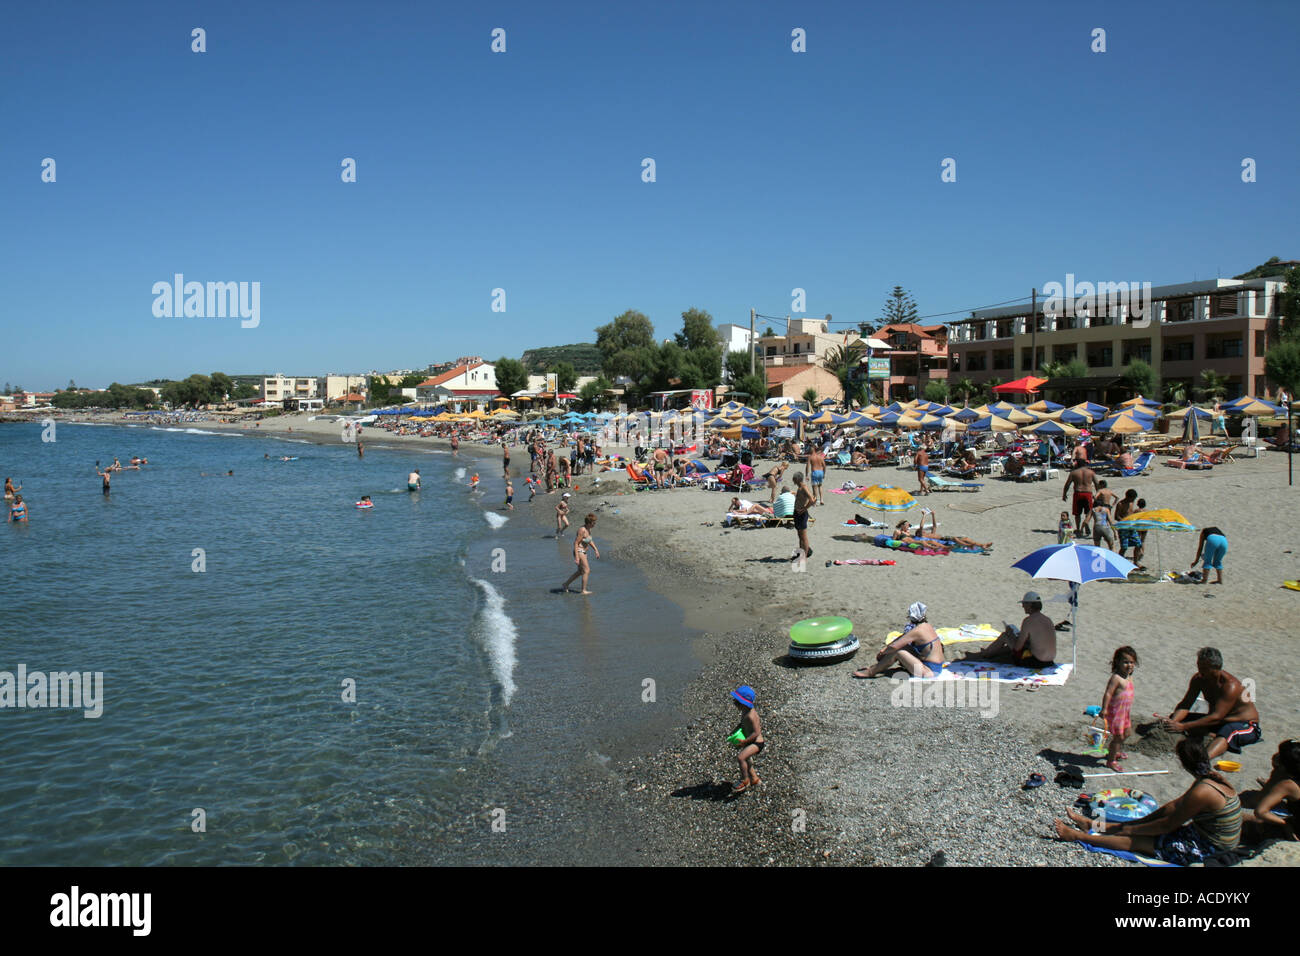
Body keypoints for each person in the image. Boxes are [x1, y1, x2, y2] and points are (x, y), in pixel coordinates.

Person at [1052, 738, 1241, 865]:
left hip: (1210, 850)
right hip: (1206, 837)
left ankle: (1078, 836)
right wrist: (1140, 822)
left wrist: (1132, 829)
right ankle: (1092, 825)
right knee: (1136, 826)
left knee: (1135, 840)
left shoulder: (1203, 790)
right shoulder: (1209, 779)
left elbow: (1168, 825)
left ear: (1183, 763)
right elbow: (1174, 806)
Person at [1162, 647, 1261, 759]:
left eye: (1204, 668)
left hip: (1245, 724)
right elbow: (1186, 704)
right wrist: (1173, 721)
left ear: (1215, 668)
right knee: (1179, 718)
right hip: (1218, 722)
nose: (1200, 671)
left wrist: (1183, 727)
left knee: (1228, 731)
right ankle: (1211, 735)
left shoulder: (1230, 686)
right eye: (1199, 666)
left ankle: (1204, 759)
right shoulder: (1199, 679)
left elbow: (1217, 716)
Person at [962, 591, 1056, 668]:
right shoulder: (1048, 620)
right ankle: (987, 653)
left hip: (1035, 662)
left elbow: (1017, 648)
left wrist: (1011, 635)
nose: (1022, 606)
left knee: (1005, 636)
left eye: (1024, 604)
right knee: (1011, 641)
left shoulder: (1028, 621)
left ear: (1030, 605)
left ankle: (985, 654)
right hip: (1049, 661)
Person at [853, 602, 944, 679]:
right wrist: (884, 649)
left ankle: (872, 671)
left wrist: (883, 653)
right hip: (933, 667)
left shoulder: (918, 630)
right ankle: (877, 667)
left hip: (929, 672)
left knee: (898, 652)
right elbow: (903, 638)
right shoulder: (926, 626)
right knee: (903, 646)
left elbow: (894, 646)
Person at [1246, 740, 1300, 842]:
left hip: (1295, 833)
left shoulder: (1287, 785)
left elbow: (1260, 811)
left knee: (1242, 820)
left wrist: (1285, 825)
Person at [1101, 646, 1138, 771]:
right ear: (1117, 662)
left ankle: (1115, 751)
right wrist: (1104, 708)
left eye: (1132, 662)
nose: (1129, 665)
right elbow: (1108, 693)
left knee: (1127, 733)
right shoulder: (1116, 678)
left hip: (1125, 712)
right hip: (1116, 713)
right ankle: (1111, 760)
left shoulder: (1128, 677)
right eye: (1125, 662)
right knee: (1118, 736)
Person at [729, 685, 764, 794]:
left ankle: (745, 780)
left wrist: (745, 741)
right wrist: (736, 729)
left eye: (737, 702)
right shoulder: (745, 712)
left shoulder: (751, 715)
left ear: (743, 703)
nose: (735, 704)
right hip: (749, 741)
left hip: (756, 743)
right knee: (748, 761)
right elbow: (743, 723)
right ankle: (755, 779)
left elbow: (756, 732)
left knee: (741, 758)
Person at [559, 513, 599, 595]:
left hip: (583, 552)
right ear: (589, 523)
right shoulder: (582, 530)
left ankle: (565, 584)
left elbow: (590, 540)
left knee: (580, 571)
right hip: (579, 551)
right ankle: (583, 590)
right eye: (593, 523)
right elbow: (576, 543)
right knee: (586, 570)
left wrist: (596, 550)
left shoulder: (588, 529)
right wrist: (577, 557)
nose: (595, 524)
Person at [1061, 460, 1097, 537]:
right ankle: (1086, 523)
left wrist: (1064, 494)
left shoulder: (1074, 473)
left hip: (1078, 493)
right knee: (1088, 512)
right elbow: (1097, 484)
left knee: (1077, 513)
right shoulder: (1091, 472)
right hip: (1088, 493)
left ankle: (1078, 529)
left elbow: (1067, 484)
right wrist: (1098, 494)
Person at [791, 471, 814, 562]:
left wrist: (805, 508)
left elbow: (812, 499)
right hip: (797, 513)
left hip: (802, 514)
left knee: (803, 536)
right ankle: (800, 554)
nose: (793, 480)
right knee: (800, 535)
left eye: (794, 478)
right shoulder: (800, 487)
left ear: (797, 479)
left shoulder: (804, 487)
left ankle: (803, 557)